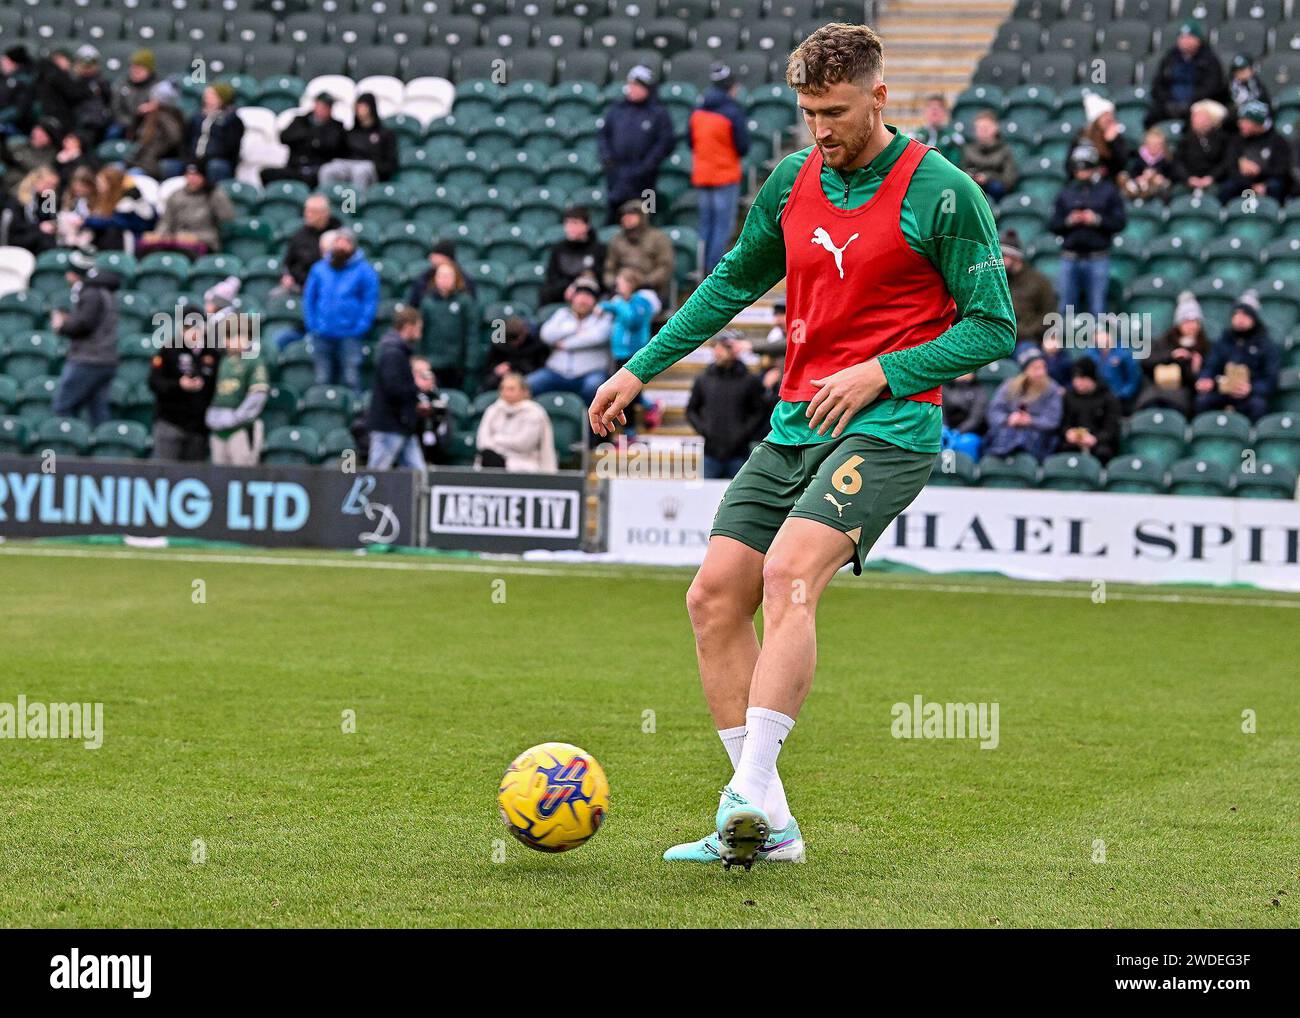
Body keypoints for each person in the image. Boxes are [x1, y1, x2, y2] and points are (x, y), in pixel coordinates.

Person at [586, 23, 1015, 868]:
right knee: (713, 597)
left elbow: (995, 325)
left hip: (890, 425)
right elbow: (728, 283)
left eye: (838, 110)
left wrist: (883, 373)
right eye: (809, 110)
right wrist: (640, 368)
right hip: (795, 425)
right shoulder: (790, 180)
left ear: (879, 96)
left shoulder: (945, 192)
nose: (822, 128)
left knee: (787, 575)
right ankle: (768, 820)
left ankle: (746, 794)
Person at [1049, 143, 1125, 320]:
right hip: (1070, 255)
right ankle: (1064, 345)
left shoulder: (1108, 191)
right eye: (1079, 168)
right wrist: (1070, 220)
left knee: (1098, 309)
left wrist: (1096, 219)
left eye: (1086, 168)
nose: (1082, 172)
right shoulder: (1066, 192)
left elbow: (1119, 222)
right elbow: (1053, 224)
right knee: (1066, 309)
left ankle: (1096, 346)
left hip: (1098, 256)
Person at [690, 62, 751, 273]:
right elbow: (742, 146)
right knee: (722, 228)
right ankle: (713, 274)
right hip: (724, 176)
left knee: (705, 227)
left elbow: (691, 143)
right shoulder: (733, 111)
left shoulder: (698, 110)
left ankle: (700, 269)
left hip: (702, 176)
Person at [596, 65, 675, 226]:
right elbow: (603, 136)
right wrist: (608, 160)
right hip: (617, 177)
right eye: (630, 85)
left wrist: (645, 167)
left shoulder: (659, 113)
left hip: (647, 181)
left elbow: (665, 143)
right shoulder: (616, 110)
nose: (631, 89)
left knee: (647, 219)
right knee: (614, 219)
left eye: (636, 85)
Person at [303, 228, 379, 392]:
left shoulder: (364, 271)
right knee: (322, 379)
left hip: (350, 334)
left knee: (351, 379)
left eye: (346, 242)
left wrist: (360, 327)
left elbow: (369, 301)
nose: (341, 246)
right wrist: (313, 324)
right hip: (322, 333)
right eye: (338, 242)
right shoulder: (319, 268)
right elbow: (309, 298)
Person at [686, 333, 770, 479]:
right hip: (711, 453)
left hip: (739, 454)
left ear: (734, 350)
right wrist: (705, 430)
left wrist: (744, 433)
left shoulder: (749, 380)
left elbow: (760, 411)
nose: (717, 352)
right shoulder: (703, 379)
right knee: (706, 498)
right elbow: (691, 410)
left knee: (738, 498)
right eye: (715, 348)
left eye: (722, 348)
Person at [50, 252, 120, 427]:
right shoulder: (103, 291)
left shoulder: (91, 293)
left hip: (89, 359)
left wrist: (62, 325)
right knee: (98, 413)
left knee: (63, 407)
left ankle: (67, 449)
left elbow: (84, 324)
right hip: (105, 359)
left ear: (73, 274)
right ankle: (104, 452)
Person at [1194, 290, 1280, 422]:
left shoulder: (1266, 345)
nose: (1240, 319)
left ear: (1254, 318)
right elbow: (1211, 365)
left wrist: (1251, 388)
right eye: (1237, 315)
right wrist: (1206, 379)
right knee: (1202, 401)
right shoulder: (1223, 341)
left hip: (1250, 395)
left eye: (1245, 315)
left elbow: (1271, 379)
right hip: (1222, 392)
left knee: (1258, 406)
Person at [148, 310, 221, 461]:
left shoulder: (212, 354)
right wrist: (179, 384)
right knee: (164, 473)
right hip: (170, 422)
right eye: (187, 327)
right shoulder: (169, 349)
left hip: (198, 427)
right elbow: (154, 382)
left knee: (193, 476)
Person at [366, 305, 430, 470]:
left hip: (402, 425)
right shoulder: (393, 353)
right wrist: (417, 387)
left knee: (418, 474)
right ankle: (363, 497)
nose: (420, 333)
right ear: (408, 327)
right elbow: (393, 388)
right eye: (418, 328)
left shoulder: (398, 351)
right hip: (389, 426)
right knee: (376, 476)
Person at [529, 276, 611, 405]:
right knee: (529, 384)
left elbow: (596, 337)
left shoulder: (603, 316)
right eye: (580, 295)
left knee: (594, 387)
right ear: (573, 298)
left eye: (588, 296)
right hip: (556, 372)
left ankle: (591, 424)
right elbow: (546, 334)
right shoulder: (562, 314)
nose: (583, 300)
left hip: (588, 373)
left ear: (595, 300)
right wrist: (573, 328)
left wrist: (565, 343)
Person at [600, 266, 662, 433]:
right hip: (620, 352)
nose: (617, 287)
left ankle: (630, 432)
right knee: (626, 389)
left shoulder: (641, 302)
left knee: (625, 392)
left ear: (630, 284)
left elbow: (632, 320)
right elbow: (610, 307)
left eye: (620, 283)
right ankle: (650, 406)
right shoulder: (622, 302)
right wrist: (604, 306)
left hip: (633, 352)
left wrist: (618, 304)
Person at [205, 319, 269, 465]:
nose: (236, 340)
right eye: (231, 336)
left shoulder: (253, 360)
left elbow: (258, 395)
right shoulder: (221, 361)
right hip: (217, 429)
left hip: (242, 429)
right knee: (219, 477)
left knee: (243, 475)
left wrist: (236, 417)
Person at [1135, 291, 1210, 416]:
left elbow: (1201, 382)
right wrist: (1171, 356)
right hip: (1156, 390)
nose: (1191, 326)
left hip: (1181, 395)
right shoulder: (1165, 342)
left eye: (1195, 321)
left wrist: (1196, 370)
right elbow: (1146, 362)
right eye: (1187, 321)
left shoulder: (1205, 347)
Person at [137, 163, 235, 256]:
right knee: (148, 251)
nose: (192, 178)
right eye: (189, 175)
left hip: (204, 240)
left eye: (196, 175)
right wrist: (159, 236)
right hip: (177, 240)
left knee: (183, 253)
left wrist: (216, 196)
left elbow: (227, 219)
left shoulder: (213, 194)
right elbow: (166, 221)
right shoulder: (176, 195)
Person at [985, 348, 1063, 462]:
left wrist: (1030, 420)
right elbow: (994, 411)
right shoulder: (1009, 386)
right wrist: (1008, 419)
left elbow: (1053, 421)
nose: (1041, 372)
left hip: (1036, 434)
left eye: (1043, 367)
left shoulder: (1052, 389)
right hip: (1008, 429)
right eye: (1035, 368)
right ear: (1025, 370)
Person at [1147, 19, 1227, 128]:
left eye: (1189, 37)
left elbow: (1212, 87)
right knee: (1150, 118)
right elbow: (1158, 84)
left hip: (1196, 103)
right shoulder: (1170, 57)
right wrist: (1168, 101)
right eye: (1182, 37)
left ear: (1198, 40)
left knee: (1198, 119)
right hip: (1170, 102)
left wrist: (1190, 102)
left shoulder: (1209, 59)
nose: (1184, 41)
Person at [476, 372, 558, 473]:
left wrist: (496, 440)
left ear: (525, 392)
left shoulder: (535, 412)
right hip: (491, 462)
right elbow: (482, 440)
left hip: (524, 463)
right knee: (488, 457)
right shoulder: (493, 410)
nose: (506, 392)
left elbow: (523, 443)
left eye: (511, 389)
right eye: (503, 388)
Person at [418, 260, 479, 394]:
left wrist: (470, 362)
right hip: (432, 363)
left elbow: (472, 333)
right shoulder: (427, 302)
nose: (444, 279)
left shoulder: (465, 301)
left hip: (456, 365)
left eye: (448, 276)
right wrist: (420, 359)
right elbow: (421, 333)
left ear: (455, 278)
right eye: (441, 276)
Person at [603, 199, 674, 310]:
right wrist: (614, 284)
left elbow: (665, 267)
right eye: (624, 215)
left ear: (642, 217)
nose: (627, 218)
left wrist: (645, 281)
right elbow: (609, 268)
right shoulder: (617, 240)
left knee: (636, 311)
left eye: (631, 215)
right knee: (609, 309)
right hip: (620, 290)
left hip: (650, 290)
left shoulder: (658, 238)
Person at [318, 93, 397, 191]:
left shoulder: (385, 134)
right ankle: (327, 202)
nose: (359, 110)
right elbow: (338, 153)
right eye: (358, 107)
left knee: (359, 171)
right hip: (348, 164)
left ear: (371, 107)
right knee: (327, 170)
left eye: (363, 106)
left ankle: (354, 204)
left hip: (370, 167)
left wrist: (378, 168)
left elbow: (390, 162)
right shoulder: (350, 133)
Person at [1216, 100, 1291, 203]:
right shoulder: (1237, 140)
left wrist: (1258, 171)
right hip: (1243, 182)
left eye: (1244, 120)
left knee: (1276, 186)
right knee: (1228, 187)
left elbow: (1282, 170)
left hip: (1267, 181)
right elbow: (1230, 166)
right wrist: (1251, 185)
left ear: (1256, 122)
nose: (1240, 124)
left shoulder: (1277, 141)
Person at [166, 83, 243, 183]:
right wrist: (188, 158)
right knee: (170, 165)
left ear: (222, 98)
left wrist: (204, 159)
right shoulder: (196, 117)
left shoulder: (232, 120)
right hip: (193, 158)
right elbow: (185, 140)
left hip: (216, 161)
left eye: (212, 96)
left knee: (215, 166)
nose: (207, 99)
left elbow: (230, 147)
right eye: (206, 96)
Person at [264, 92, 345, 187]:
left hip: (316, 169)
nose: (323, 110)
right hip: (294, 167)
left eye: (327, 107)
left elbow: (332, 146)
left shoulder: (336, 126)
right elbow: (284, 137)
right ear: (315, 105)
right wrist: (309, 137)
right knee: (266, 174)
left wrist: (310, 139)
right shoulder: (300, 120)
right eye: (321, 105)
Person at [539, 206, 605, 307]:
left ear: (586, 226)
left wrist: (577, 287)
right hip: (561, 293)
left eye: (575, 223)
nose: (571, 228)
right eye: (568, 223)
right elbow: (552, 278)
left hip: (588, 293)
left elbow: (598, 277)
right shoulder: (558, 248)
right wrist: (566, 287)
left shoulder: (598, 249)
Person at [1059, 357, 1120, 463]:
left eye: (1082, 378)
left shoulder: (1108, 398)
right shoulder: (1069, 397)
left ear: (1092, 379)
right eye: (1075, 378)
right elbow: (1063, 423)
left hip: (1099, 444)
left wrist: (1095, 439)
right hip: (1073, 443)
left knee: (1103, 453)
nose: (1077, 382)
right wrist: (1068, 433)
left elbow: (1111, 429)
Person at [1001, 229, 1056, 347]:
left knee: (1031, 358)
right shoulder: (997, 280)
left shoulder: (1038, 281)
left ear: (1015, 257)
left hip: (1026, 340)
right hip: (1000, 338)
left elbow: (1049, 314)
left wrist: (1025, 331)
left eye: (1003, 256)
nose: (999, 260)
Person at [81, 165, 156, 251]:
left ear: (112, 184)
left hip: (131, 239)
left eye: (102, 183)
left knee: (112, 231)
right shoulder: (102, 199)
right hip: (113, 240)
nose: (98, 187)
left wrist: (86, 221)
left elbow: (116, 222)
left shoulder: (128, 200)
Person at [126, 78, 186, 181]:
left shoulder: (172, 116)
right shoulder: (149, 116)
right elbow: (133, 136)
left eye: (155, 98)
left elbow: (175, 137)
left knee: (131, 176)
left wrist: (160, 113)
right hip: (138, 160)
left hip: (155, 163)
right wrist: (139, 116)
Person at [280, 194, 340, 294]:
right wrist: (286, 276)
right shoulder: (299, 235)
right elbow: (288, 262)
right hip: (299, 285)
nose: (307, 214)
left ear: (325, 213)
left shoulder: (338, 234)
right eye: (306, 210)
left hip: (328, 286)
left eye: (312, 211)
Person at [1172, 98, 1230, 192]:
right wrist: (1188, 178)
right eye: (1194, 116)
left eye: (1201, 117)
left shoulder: (1221, 139)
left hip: (1215, 181)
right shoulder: (1185, 139)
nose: (1195, 120)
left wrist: (1211, 177)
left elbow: (1225, 162)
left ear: (1212, 120)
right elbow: (1177, 162)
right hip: (1189, 180)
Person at [480, 315, 550, 393]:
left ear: (524, 334)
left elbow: (541, 366)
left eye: (517, 339)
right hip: (504, 376)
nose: (514, 344)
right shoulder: (498, 343)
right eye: (510, 340)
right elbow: (489, 366)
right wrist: (497, 370)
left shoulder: (537, 342)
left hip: (528, 376)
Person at [960, 109, 1017, 202]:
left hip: (997, 194)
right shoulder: (968, 150)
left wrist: (988, 177)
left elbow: (1009, 179)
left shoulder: (1005, 150)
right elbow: (962, 173)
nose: (982, 131)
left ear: (995, 128)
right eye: (979, 128)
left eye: (986, 127)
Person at [0, 165, 59, 252]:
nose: (51, 189)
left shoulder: (44, 199)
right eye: (48, 184)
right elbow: (12, 228)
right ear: (36, 181)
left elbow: (50, 220)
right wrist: (39, 227)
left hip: (32, 236)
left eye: (54, 186)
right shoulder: (17, 199)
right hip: (16, 241)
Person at [1080, 327, 1141, 411]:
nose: (1100, 337)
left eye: (1103, 333)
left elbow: (1133, 378)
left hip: (1120, 399)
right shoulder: (1089, 353)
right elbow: (1085, 375)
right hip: (1095, 399)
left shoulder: (1123, 352)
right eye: (1097, 334)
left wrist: (1123, 394)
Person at [405, 237, 478, 305]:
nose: (431, 257)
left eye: (436, 254)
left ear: (446, 257)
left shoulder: (464, 279)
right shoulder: (425, 277)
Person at [1078, 93, 1131, 182]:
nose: (1109, 119)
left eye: (1110, 115)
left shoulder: (1116, 137)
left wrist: (1113, 142)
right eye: (1105, 115)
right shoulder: (1082, 138)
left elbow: (1121, 165)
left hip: (1109, 184)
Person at [110, 50, 158, 141]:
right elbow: (116, 109)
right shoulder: (121, 84)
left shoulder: (157, 87)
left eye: (140, 68)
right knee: (113, 132)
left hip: (147, 125)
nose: (136, 71)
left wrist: (151, 108)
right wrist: (131, 123)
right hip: (124, 123)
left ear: (149, 70)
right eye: (134, 67)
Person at [940, 372, 987, 462]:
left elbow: (975, 418)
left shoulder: (979, 392)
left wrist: (958, 431)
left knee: (966, 444)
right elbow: (941, 411)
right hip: (946, 431)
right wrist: (944, 428)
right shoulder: (945, 389)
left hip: (969, 433)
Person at [1120, 127, 1174, 202]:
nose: (1154, 147)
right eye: (1151, 144)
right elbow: (1134, 172)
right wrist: (1141, 177)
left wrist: (1160, 178)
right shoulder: (1140, 157)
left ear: (1162, 146)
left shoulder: (1166, 159)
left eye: (1157, 145)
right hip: (1141, 183)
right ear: (1146, 144)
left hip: (1157, 186)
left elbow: (1170, 174)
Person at [908, 93, 963, 165]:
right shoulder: (914, 137)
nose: (935, 109)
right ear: (924, 112)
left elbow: (955, 166)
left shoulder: (954, 139)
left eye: (939, 106)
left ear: (945, 113)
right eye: (930, 106)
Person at [1226, 53, 1270, 120]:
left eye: (1243, 69)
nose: (1240, 72)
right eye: (1236, 70)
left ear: (1251, 69)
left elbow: (1265, 102)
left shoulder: (1256, 83)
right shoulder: (1228, 85)